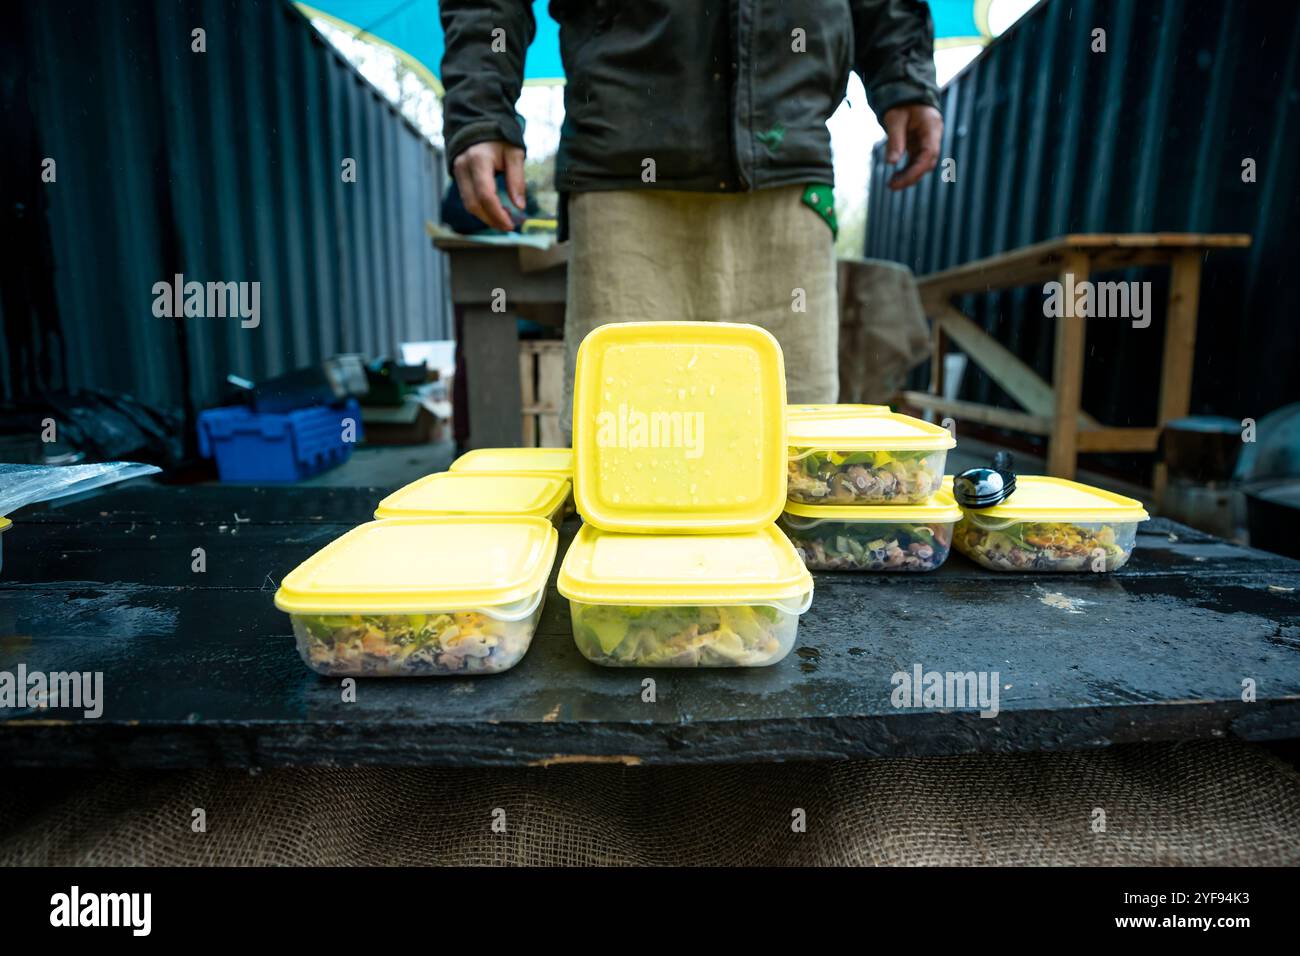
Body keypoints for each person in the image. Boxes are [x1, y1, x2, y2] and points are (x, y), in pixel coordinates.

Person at [440, 1, 943, 434]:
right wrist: (481, 110)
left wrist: (905, 74)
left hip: (788, 159)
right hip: (622, 161)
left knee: (791, 444)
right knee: (624, 437)